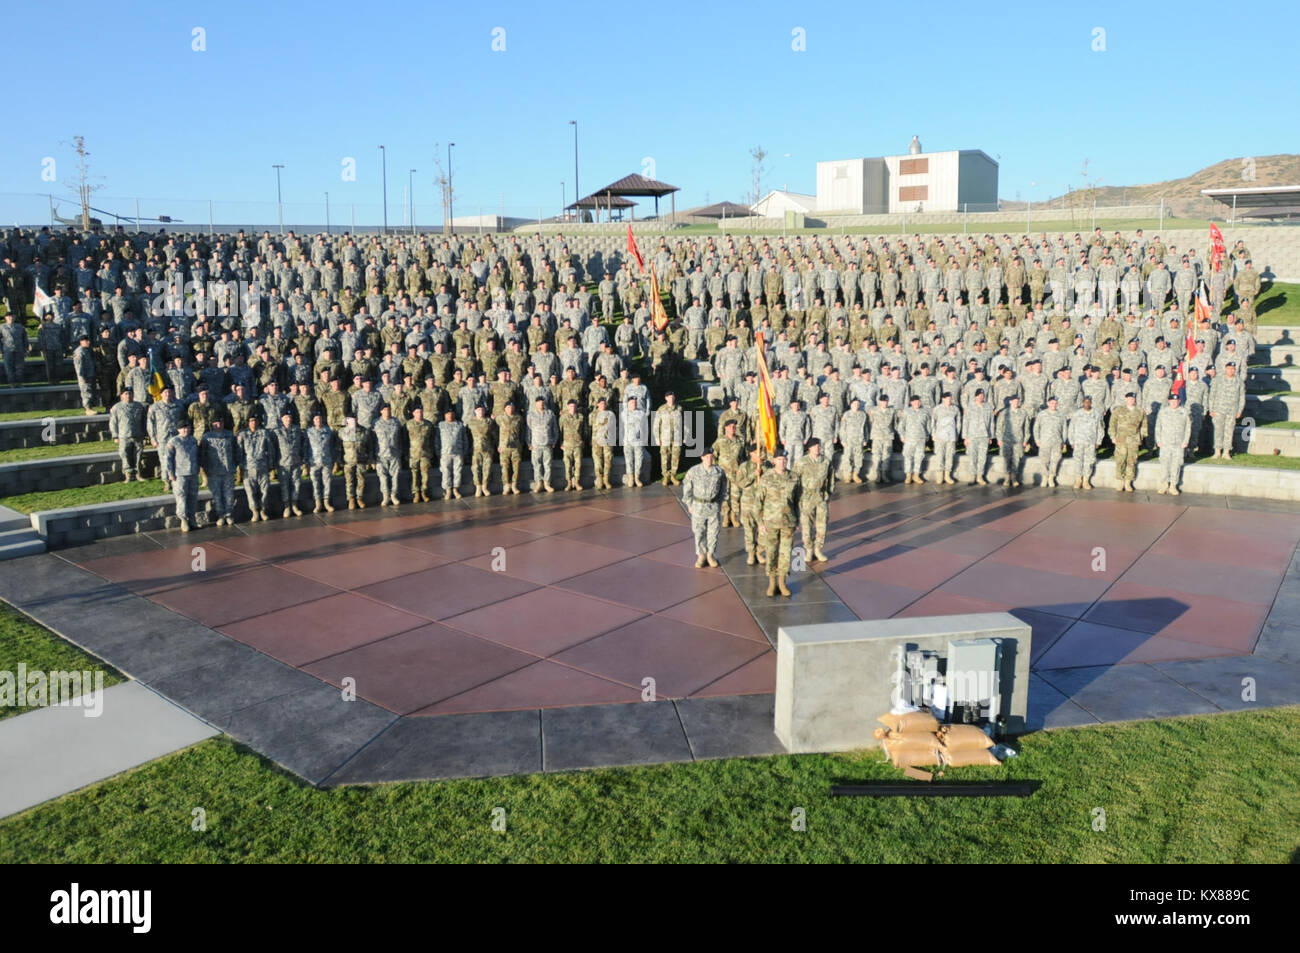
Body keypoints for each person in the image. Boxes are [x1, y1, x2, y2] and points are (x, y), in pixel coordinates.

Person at [755, 451, 799, 597]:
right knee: (771, 551)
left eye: (785, 459)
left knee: (786, 553)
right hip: (770, 522)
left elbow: (797, 500)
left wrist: (797, 519)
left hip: (788, 522)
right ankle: (772, 582)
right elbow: (758, 501)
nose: (782, 462)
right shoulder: (766, 477)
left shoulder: (794, 477)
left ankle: (782, 582)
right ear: (774, 461)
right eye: (779, 459)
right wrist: (760, 522)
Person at [682, 447, 727, 568]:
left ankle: (710, 555)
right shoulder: (693, 471)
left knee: (713, 532)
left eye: (711, 457)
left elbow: (724, 489)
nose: (709, 459)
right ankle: (701, 555)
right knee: (699, 532)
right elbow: (687, 489)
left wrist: (721, 503)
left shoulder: (719, 472)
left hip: (713, 506)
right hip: (698, 506)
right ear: (702, 458)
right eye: (707, 457)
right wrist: (689, 504)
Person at [795, 438, 833, 562]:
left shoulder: (825, 461)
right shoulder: (802, 462)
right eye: (815, 446)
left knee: (822, 526)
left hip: (821, 497)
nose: (817, 448)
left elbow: (831, 479)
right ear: (809, 448)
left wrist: (828, 493)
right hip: (806, 498)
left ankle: (818, 549)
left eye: (819, 446)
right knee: (806, 526)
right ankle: (809, 550)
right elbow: (795, 479)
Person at [162, 421, 201, 532]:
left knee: (193, 497)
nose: (185, 430)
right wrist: (170, 474)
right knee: (181, 497)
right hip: (180, 475)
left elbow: (197, 456)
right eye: (183, 428)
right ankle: (183, 520)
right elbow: (168, 459)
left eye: (187, 428)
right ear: (178, 430)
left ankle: (192, 519)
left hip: (192, 473)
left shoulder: (193, 440)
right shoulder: (173, 441)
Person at [201, 416, 239, 524]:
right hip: (213, 472)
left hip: (228, 470)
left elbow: (236, 450)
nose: (218, 425)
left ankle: (229, 515)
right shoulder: (206, 437)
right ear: (212, 425)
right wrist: (205, 469)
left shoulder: (230, 435)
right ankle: (221, 515)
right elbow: (203, 454)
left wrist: (235, 464)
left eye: (220, 423)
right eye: (216, 423)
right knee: (217, 496)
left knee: (229, 495)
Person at [238, 413, 275, 519]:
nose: (253, 422)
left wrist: (270, 464)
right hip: (248, 468)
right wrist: (241, 466)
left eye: (255, 420)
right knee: (250, 492)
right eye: (251, 421)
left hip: (263, 466)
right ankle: (254, 511)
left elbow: (270, 449)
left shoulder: (264, 433)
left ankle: (263, 510)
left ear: (258, 422)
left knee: (265, 490)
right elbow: (239, 452)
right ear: (248, 423)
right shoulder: (242, 434)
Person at [1108, 391, 1147, 492]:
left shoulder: (1140, 411)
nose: (1131, 400)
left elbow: (1144, 425)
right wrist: (1113, 436)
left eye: (1133, 399)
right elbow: (1112, 423)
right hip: (1121, 439)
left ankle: (1128, 482)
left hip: (1134, 440)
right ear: (1126, 399)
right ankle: (1120, 481)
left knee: (1131, 461)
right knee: (1120, 460)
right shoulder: (1119, 410)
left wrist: (1141, 437)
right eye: (1129, 399)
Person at [1155, 392, 1191, 495]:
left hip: (1178, 444)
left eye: (1176, 401)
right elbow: (1158, 426)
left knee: (1176, 464)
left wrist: (1185, 441)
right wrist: (1158, 440)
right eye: (1172, 401)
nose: (1174, 403)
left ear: (1179, 401)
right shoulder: (1163, 412)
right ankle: (1164, 484)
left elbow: (1188, 428)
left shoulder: (1184, 412)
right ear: (1169, 401)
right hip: (1165, 443)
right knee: (1164, 464)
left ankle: (1173, 486)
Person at [1208, 362, 1246, 459]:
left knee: (1229, 430)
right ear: (1225, 369)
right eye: (1229, 368)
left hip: (1232, 410)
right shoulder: (1218, 380)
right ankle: (1217, 451)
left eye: (1233, 368)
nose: (1231, 370)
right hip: (1219, 409)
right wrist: (1211, 409)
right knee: (1218, 430)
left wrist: (1239, 411)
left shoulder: (1239, 381)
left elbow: (1242, 397)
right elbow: (1212, 395)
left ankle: (1226, 451)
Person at [108, 388, 147, 482]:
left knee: (138, 456)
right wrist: (115, 436)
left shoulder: (139, 406)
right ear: (121, 395)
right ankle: (128, 475)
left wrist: (145, 435)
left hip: (138, 436)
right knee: (125, 455)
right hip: (124, 436)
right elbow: (113, 423)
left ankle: (138, 474)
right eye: (126, 394)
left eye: (130, 393)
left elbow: (144, 422)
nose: (128, 395)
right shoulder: (117, 407)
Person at [274, 411, 306, 516]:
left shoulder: (297, 430)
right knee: (284, 485)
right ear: (282, 419)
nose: (288, 420)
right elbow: (273, 448)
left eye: (289, 417)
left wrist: (302, 458)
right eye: (286, 418)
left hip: (296, 462)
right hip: (283, 463)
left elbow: (302, 444)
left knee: (296, 484)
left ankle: (294, 505)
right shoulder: (276, 432)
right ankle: (287, 506)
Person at [372, 403, 404, 506]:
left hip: (394, 453)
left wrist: (401, 451)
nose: (387, 411)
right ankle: (385, 496)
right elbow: (372, 440)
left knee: (395, 475)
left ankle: (394, 495)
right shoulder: (375, 422)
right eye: (385, 410)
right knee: (383, 476)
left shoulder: (396, 422)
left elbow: (400, 437)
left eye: (389, 409)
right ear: (381, 411)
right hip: (381, 454)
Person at [996, 394, 1030, 487]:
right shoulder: (1004, 412)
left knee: (1016, 459)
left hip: (1018, 441)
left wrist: (1025, 440)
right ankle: (1007, 479)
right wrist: (999, 439)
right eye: (1014, 401)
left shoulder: (1023, 413)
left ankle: (1014, 479)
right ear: (1010, 402)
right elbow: (999, 427)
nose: (1016, 403)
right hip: (1006, 440)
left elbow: (1026, 428)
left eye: (1017, 401)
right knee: (1006, 459)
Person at [306, 412, 336, 512]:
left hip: (327, 460)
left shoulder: (328, 430)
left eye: (320, 419)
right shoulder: (308, 432)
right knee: (315, 483)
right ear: (313, 421)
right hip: (313, 461)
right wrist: (306, 461)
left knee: (327, 482)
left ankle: (326, 503)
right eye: (316, 419)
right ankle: (318, 503)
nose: (318, 421)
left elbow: (332, 446)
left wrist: (333, 459)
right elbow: (305, 447)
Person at [1033, 396, 1066, 488]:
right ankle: (1045, 477)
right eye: (1052, 403)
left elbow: (1064, 429)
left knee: (1055, 460)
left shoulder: (1061, 415)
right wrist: (1037, 440)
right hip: (1044, 441)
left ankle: (1051, 477)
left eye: (1055, 403)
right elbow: (1036, 428)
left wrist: (1063, 441)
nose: (1054, 405)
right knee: (1044, 460)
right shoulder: (1041, 414)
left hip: (1057, 441)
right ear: (1048, 404)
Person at [963, 389, 994, 485]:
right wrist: (965, 437)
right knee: (973, 457)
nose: (981, 397)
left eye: (982, 395)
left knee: (982, 457)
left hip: (984, 436)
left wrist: (991, 436)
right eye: (979, 395)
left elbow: (991, 422)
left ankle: (980, 476)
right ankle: (972, 476)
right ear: (975, 396)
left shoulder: (988, 407)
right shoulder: (970, 407)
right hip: (972, 436)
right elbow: (966, 422)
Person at [406, 405, 436, 503]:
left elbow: (432, 439)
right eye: (417, 412)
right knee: (414, 475)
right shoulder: (408, 424)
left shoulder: (428, 424)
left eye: (421, 412)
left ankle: (424, 492)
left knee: (425, 474)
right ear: (413, 413)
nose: (420, 414)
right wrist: (406, 453)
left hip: (425, 454)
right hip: (413, 454)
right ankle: (416, 493)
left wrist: (431, 452)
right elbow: (404, 439)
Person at [527, 396, 557, 492]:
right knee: (537, 464)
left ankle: (547, 483)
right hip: (536, 444)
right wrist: (528, 443)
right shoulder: (531, 414)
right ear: (536, 403)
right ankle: (539, 483)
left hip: (547, 443)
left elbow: (554, 428)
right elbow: (528, 430)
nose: (541, 404)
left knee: (548, 464)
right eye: (539, 402)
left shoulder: (550, 413)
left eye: (542, 402)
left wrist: (554, 440)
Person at [929, 392, 960, 485]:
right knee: (940, 456)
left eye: (950, 398)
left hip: (951, 436)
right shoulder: (937, 409)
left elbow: (958, 423)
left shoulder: (955, 409)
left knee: (949, 456)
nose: (949, 400)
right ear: (943, 399)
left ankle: (947, 475)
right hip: (940, 436)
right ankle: (940, 476)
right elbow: (933, 422)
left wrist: (956, 434)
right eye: (947, 398)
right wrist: (933, 434)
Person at [338, 415, 369, 509]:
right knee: (349, 481)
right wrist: (338, 461)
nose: (353, 421)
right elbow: (338, 447)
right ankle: (351, 499)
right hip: (348, 461)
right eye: (351, 420)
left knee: (361, 480)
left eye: (354, 419)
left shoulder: (363, 431)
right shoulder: (342, 432)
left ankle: (359, 498)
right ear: (347, 421)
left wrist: (370, 459)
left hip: (361, 460)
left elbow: (369, 446)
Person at [900, 394, 930, 484]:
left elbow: (928, 425)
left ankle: (916, 475)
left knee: (919, 457)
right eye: (915, 401)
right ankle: (908, 475)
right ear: (911, 402)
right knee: (908, 456)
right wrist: (902, 436)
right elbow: (901, 425)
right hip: (909, 438)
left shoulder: (925, 412)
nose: (917, 403)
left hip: (921, 438)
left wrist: (927, 436)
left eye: (918, 401)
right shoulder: (906, 412)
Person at [438, 408, 467, 499]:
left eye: (451, 413)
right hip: (445, 453)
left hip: (458, 452)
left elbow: (464, 439)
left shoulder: (459, 425)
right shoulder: (440, 425)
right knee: (446, 471)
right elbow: (437, 440)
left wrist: (464, 451)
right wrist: (438, 451)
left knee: (457, 471)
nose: (450, 415)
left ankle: (455, 489)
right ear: (445, 415)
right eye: (448, 414)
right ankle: (448, 490)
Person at [497, 401, 525, 494]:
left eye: (512, 407)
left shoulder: (518, 418)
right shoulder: (500, 418)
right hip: (504, 447)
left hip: (516, 446)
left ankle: (514, 485)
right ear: (505, 408)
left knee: (516, 467)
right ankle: (506, 486)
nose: (510, 409)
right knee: (505, 467)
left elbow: (522, 432)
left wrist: (521, 443)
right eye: (508, 407)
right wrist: (498, 444)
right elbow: (494, 432)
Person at [621, 396, 648, 488]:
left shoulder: (641, 413)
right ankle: (631, 478)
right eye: (632, 402)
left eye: (635, 402)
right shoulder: (624, 414)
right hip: (628, 441)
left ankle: (637, 478)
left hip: (639, 441)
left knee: (639, 460)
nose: (634, 404)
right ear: (628, 404)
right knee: (629, 461)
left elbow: (645, 427)